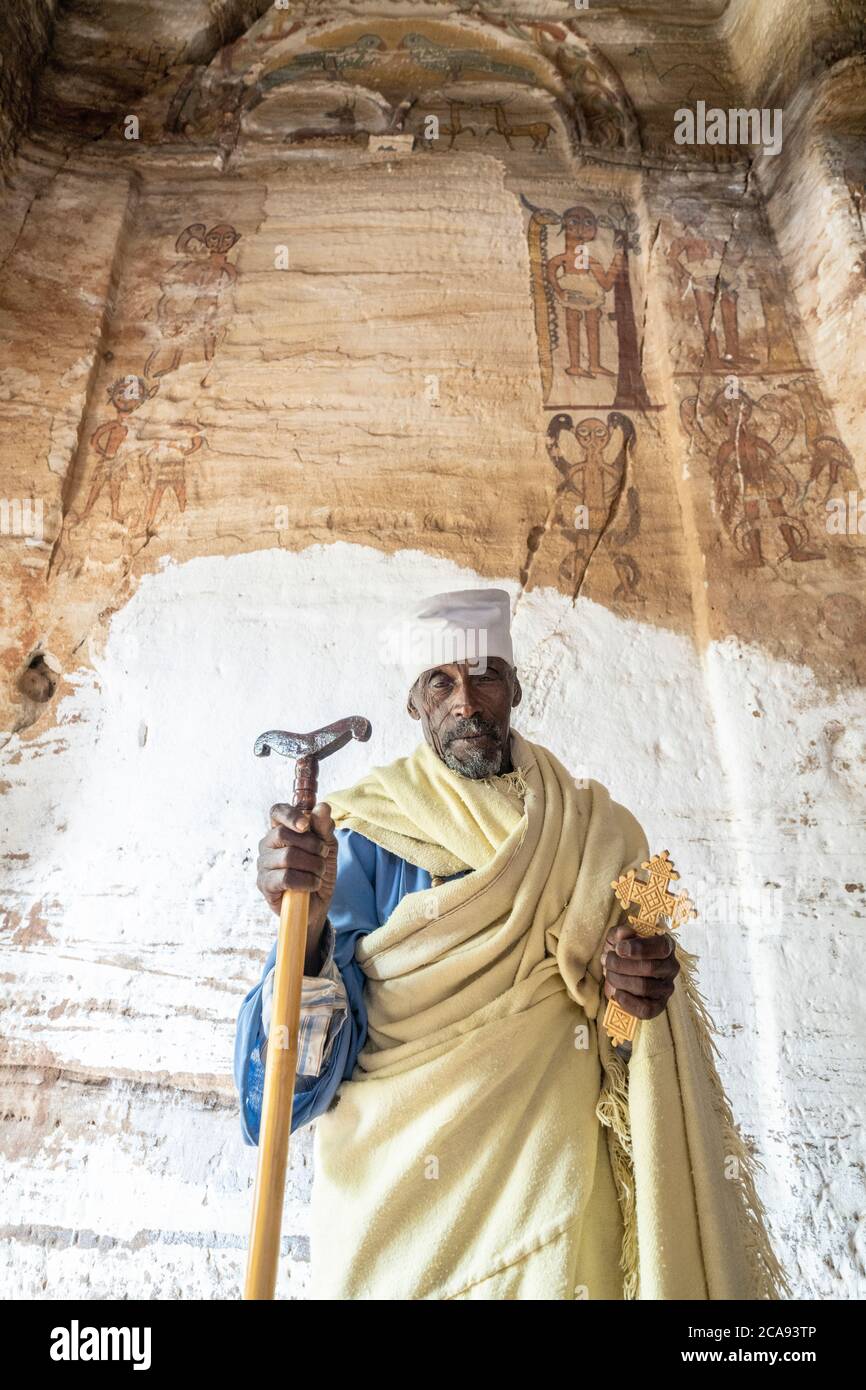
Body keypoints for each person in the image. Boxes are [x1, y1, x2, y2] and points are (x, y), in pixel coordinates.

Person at [234, 588, 788, 1300]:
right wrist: (303, 927)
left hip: (558, 1207)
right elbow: (284, 1092)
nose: (466, 701)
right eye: (442, 681)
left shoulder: (607, 834)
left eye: (485, 674)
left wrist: (636, 1001)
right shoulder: (359, 835)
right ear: (416, 705)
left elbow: (626, 1039)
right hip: (396, 1214)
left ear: (515, 688)